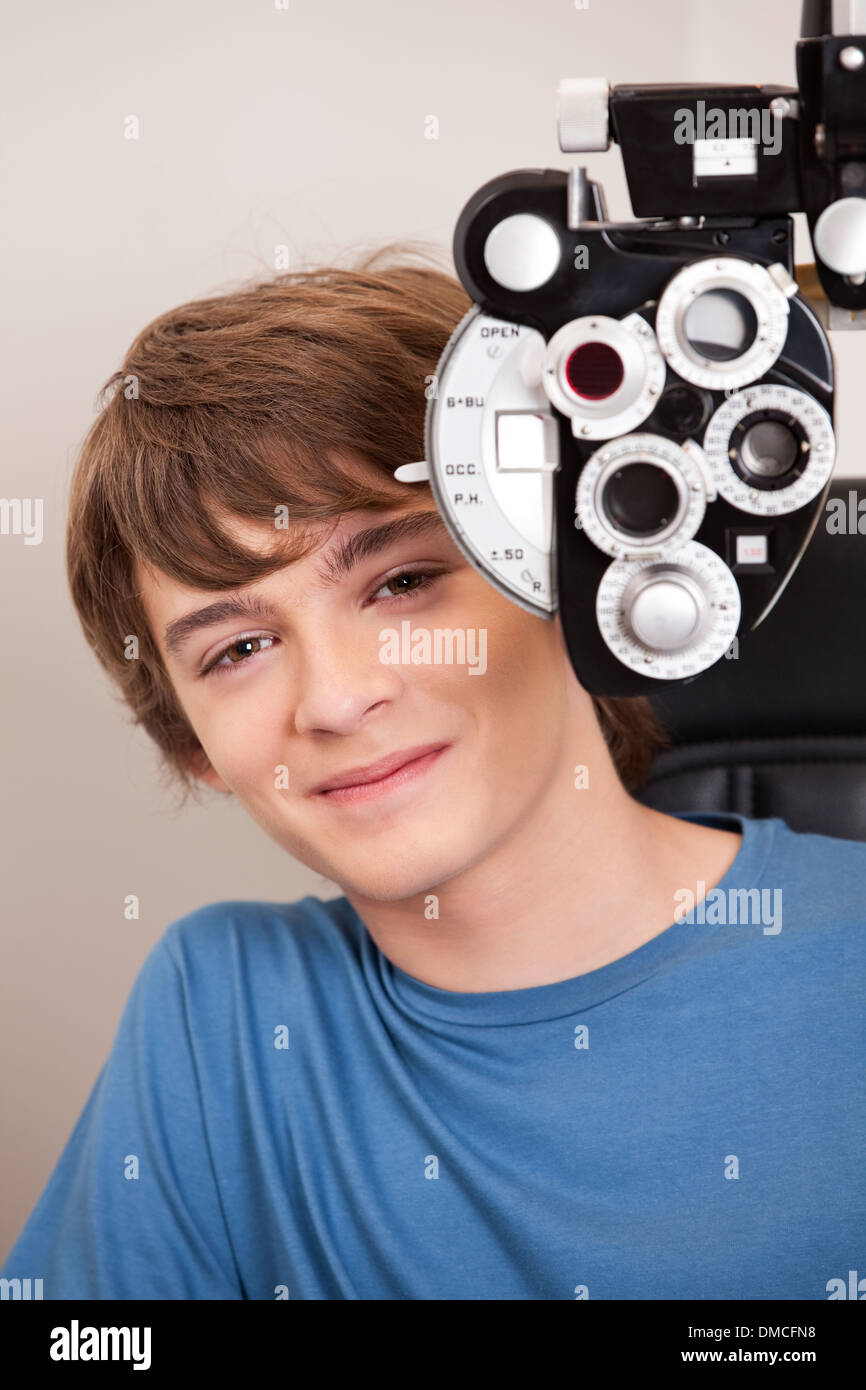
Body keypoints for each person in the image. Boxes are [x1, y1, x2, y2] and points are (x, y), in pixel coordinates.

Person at [2, 244, 864, 1301]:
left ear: (576, 563)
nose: (333, 698)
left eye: (404, 579)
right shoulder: (219, 1010)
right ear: (193, 747)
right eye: (235, 650)